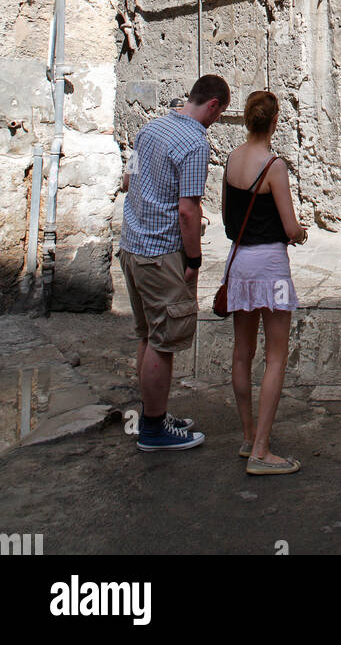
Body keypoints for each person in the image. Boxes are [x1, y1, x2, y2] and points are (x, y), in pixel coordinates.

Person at [119, 75, 230, 451]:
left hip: (131, 247)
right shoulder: (195, 144)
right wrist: (194, 260)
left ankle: (154, 412)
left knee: (147, 336)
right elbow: (188, 209)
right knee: (163, 343)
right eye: (219, 115)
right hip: (161, 253)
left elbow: (127, 179)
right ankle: (153, 431)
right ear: (213, 106)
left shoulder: (148, 129)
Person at [222, 89, 307, 475]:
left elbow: (227, 220)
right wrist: (301, 232)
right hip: (270, 266)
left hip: (239, 265)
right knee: (275, 356)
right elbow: (289, 227)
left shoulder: (232, 159)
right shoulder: (274, 166)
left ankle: (246, 436)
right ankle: (261, 451)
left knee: (242, 353)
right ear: (274, 123)